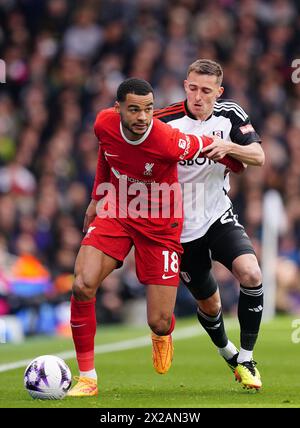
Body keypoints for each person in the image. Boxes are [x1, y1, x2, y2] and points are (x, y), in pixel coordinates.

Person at [67, 77, 243, 397]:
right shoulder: (104, 123)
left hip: (161, 225)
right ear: (118, 109)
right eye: (134, 110)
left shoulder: (166, 139)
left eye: (148, 109)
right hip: (119, 210)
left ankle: (162, 336)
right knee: (82, 283)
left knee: (160, 321)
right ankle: (87, 378)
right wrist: (96, 198)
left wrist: (235, 157)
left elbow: (202, 145)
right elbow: (107, 153)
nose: (143, 117)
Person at [154, 59, 265, 390]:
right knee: (211, 303)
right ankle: (227, 351)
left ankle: (246, 358)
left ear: (219, 92)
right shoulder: (164, 120)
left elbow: (258, 156)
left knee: (252, 273)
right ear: (185, 84)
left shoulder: (230, 114)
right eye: (192, 88)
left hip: (218, 216)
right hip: (180, 230)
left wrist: (229, 147)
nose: (198, 97)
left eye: (206, 91)